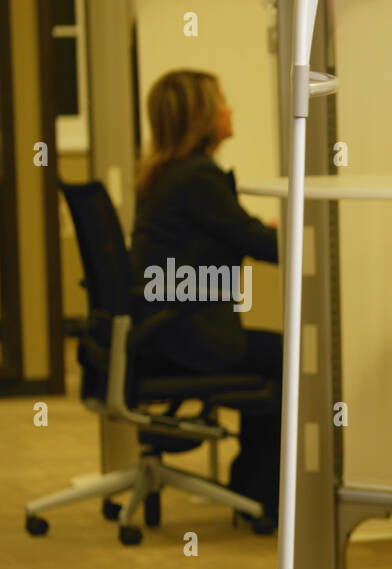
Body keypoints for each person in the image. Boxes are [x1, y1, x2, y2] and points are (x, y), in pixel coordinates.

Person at [130, 70, 281, 528]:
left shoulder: (168, 175)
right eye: (222, 101)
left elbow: (228, 232)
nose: (230, 109)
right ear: (201, 117)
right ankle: (260, 496)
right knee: (290, 357)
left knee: (277, 353)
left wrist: (256, 232)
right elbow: (266, 247)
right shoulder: (198, 178)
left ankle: (251, 487)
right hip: (183, 338)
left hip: (160, 332)